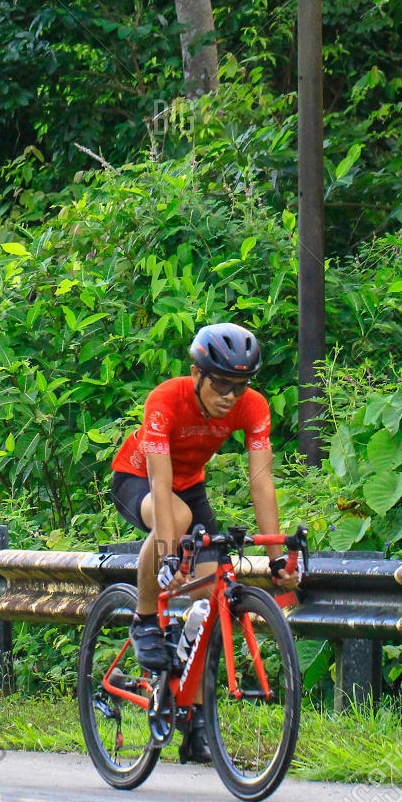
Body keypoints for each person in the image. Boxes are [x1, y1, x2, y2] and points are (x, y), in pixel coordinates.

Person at [109, 322, 298, 763]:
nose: (230, 395)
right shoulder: (165, 399)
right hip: (140, 478)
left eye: (240, 385)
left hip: (190, 486)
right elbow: (159, 480)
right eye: (221, 383)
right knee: (176, 519)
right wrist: (168, 553)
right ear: (197, 374)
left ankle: (194, 724)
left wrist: (274, 557)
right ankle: (144, 620)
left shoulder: (253, 408)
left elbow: (262, 482)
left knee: (210, 595)